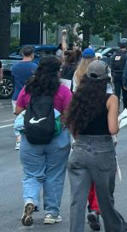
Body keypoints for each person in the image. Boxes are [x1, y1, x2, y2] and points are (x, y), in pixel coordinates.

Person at [65, 61, 127, 232]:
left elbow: (71, 125)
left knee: (77, 200)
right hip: (102, 151)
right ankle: (115, 228)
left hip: (79, 149)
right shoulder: (110, 99)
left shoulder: (77, 97)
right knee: (105, 199)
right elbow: (112, 129)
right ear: (106, 78)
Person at [15, 56, 72, 226]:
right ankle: (51, 213)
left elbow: (18, 110)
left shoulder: (28, 88)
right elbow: (69, 113)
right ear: (57, 71)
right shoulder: (62, 90)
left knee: (31, 174)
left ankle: (30, 200)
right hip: (57, 138)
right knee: (54, 175)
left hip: (31, 137)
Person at [12, 45, 38, 150]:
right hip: (31, 95)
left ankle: (18, 140)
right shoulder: (35, 67)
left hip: (17, 94)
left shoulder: (15, 67)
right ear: (32, 54)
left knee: (18, 118)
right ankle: (30, 138)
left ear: (22, 54)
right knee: (32, 117)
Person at [109, 39, 127, 115]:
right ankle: (126, 110)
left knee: (117, 94)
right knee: (125, 95)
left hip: (116, 76)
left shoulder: (115, 55)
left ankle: (116, 110)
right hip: (124, 77)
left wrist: (113, 75)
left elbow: (111, 66)